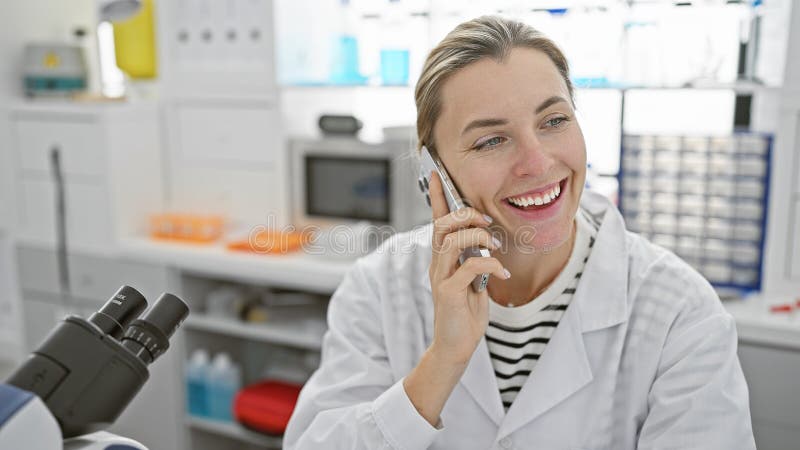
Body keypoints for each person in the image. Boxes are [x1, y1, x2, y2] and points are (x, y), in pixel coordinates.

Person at [284, 16, 755, 450]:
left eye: (554, 121)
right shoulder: (379, 287)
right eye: (491, 140)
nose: (537, 163)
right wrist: (442, 362)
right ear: (436, 174)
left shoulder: (678, 309)